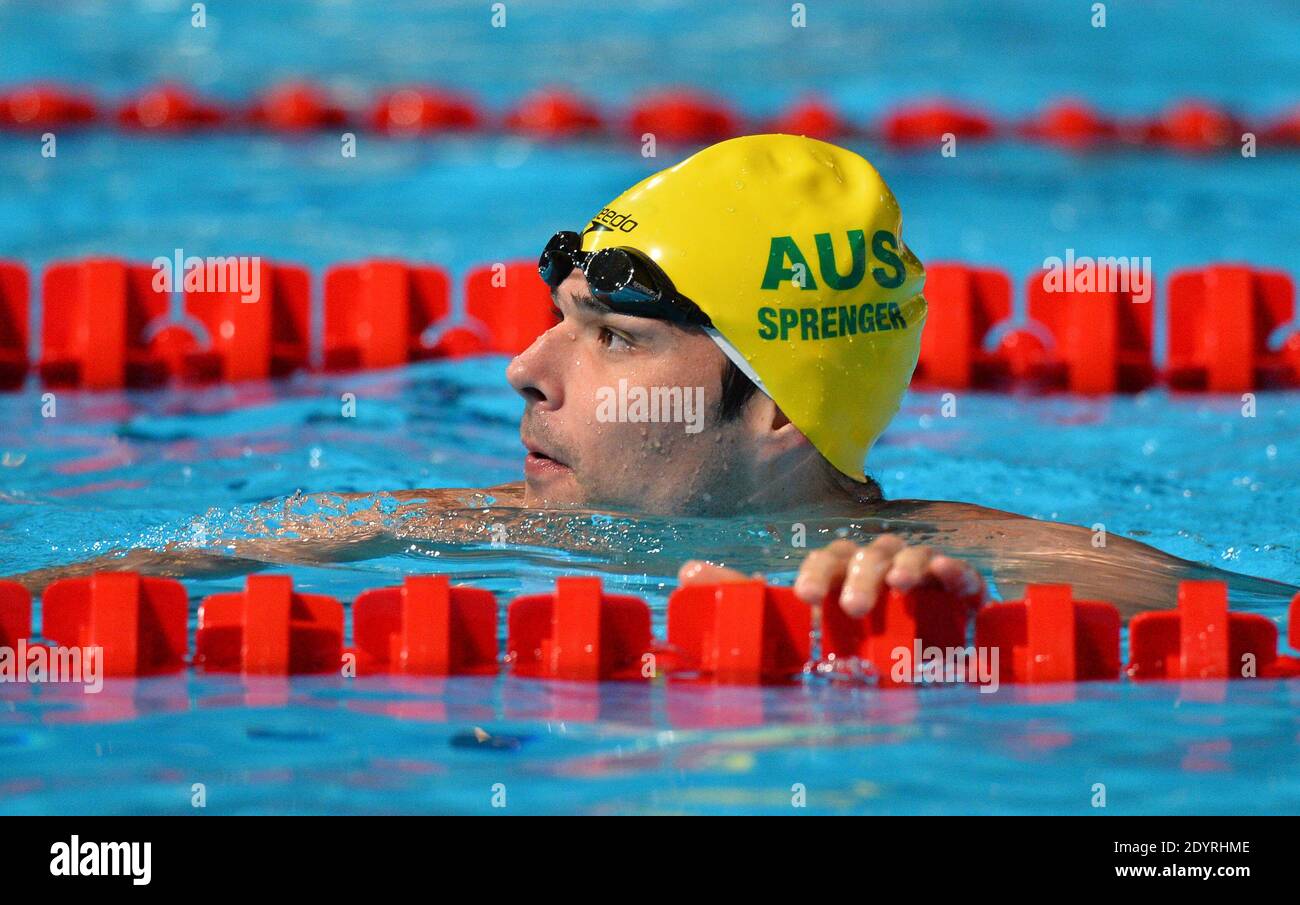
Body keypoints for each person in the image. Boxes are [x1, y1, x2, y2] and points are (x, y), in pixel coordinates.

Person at [10, 135, 1295, 620]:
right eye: (555, 320)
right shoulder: (451, 525)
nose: (521, 368)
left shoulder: (1015, 562)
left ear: (777, 406)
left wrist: (963, 644)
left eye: (614, 338)